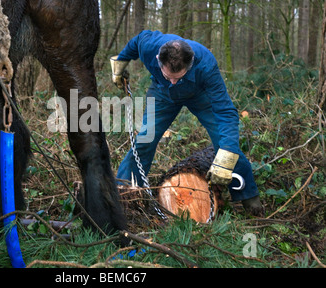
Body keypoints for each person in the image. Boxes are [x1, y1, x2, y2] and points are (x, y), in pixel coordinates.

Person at [110, 30, 263, 216]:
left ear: (190, 65)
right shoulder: (149, 46)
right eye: (169, 76)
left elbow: (225, 111)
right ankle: (124, 193)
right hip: (161, 93)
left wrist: (227, 153)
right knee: (144, 139)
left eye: (179, 77)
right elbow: (136, 40)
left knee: (225, 145)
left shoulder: (206, 64)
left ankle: (250, 202)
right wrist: (121, 62)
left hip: (198, 95)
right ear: (158, 59)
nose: (174, 82)